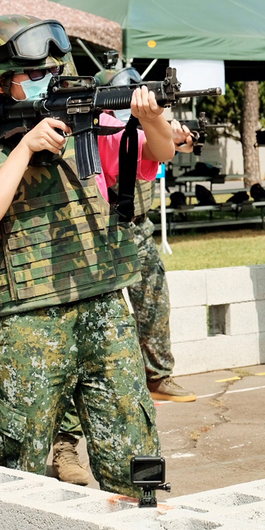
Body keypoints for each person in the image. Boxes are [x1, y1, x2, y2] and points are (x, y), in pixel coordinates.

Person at [0, 14, 180, 493]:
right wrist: (24, 149)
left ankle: (147, 511)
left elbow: (159, 154)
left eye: (51, 71)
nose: (47, 79)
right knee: (19, 453)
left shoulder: (86, 126)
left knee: (134, 438)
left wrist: (152, 118)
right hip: (31, 321)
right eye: (34, 73)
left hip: (103, 307)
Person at [95, 67, 197, 404]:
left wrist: (175, 137)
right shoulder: (97, 131)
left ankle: (158, 376)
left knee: (154, 301)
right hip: (102, 230)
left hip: (138, 226)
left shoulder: (145, 126)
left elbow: (164, 149)